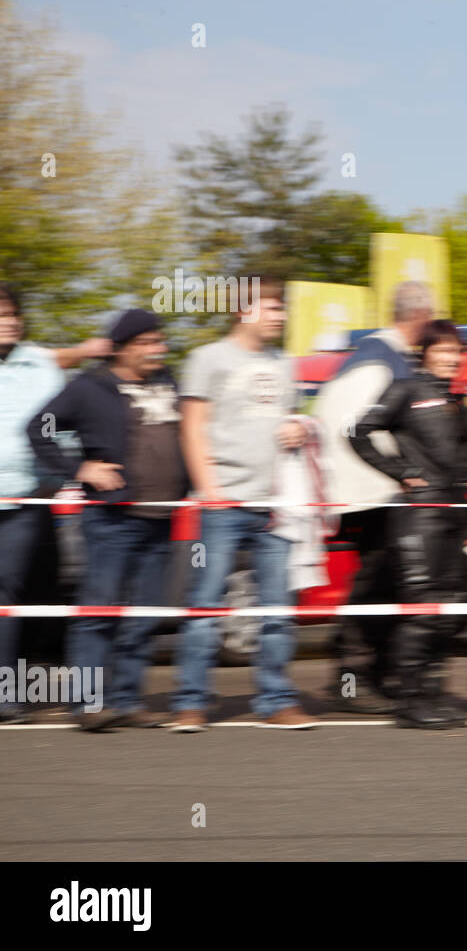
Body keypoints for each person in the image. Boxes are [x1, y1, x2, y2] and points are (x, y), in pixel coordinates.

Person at [26, 310, 185, 730]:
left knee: (146, 614)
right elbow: (38, 429)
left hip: (163, 516)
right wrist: (79, 469)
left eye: (160, 340)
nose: (159, 348)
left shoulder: (167, 381)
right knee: (100, 612)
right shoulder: (89, 387)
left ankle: (128, 700)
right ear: (124, 347)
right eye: (149, 342)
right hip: (112, 518)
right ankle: (88, 703)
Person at [171, 277, 317, 731]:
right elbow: (192, 427)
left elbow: (292, 418)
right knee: (207, 605)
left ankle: (276, 700)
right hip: (223, 504)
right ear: (244, 310)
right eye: (272, 308)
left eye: (282, 309)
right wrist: (208, 489)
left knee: (276, 607)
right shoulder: (207, 359)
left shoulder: (284, 363)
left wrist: (298, 428)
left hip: (275, 505)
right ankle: (190, 701)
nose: (281, 316)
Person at [348, 320, 467, 729]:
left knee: (448, 607)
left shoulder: (458, 402)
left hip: (452, 516)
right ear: (424, 353)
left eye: (456, 352)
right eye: (442, 351)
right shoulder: (407, 388)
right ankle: (409, 700)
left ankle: (429, 690)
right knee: (423, 608)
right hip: (418, 516)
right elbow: (358, 431)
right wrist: (401, 471)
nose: (451, 358)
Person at [313, 281, 433, 713]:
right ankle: (352, 676)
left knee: (380, 583)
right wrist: (403, 476)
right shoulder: (387, 362)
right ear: (419, 315)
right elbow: (366, 428)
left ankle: (370, 672)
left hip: (360, 490)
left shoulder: (366, 356)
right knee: (375, 586)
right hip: (374, 492)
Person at [0, 283, 67, 725]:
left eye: (12, 313)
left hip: (23, 499)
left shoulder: (41, 365)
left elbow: (65, 428)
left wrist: (57, 478)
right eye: (0, 314)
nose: (9, 320)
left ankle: (5, 695)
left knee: (6, 592)